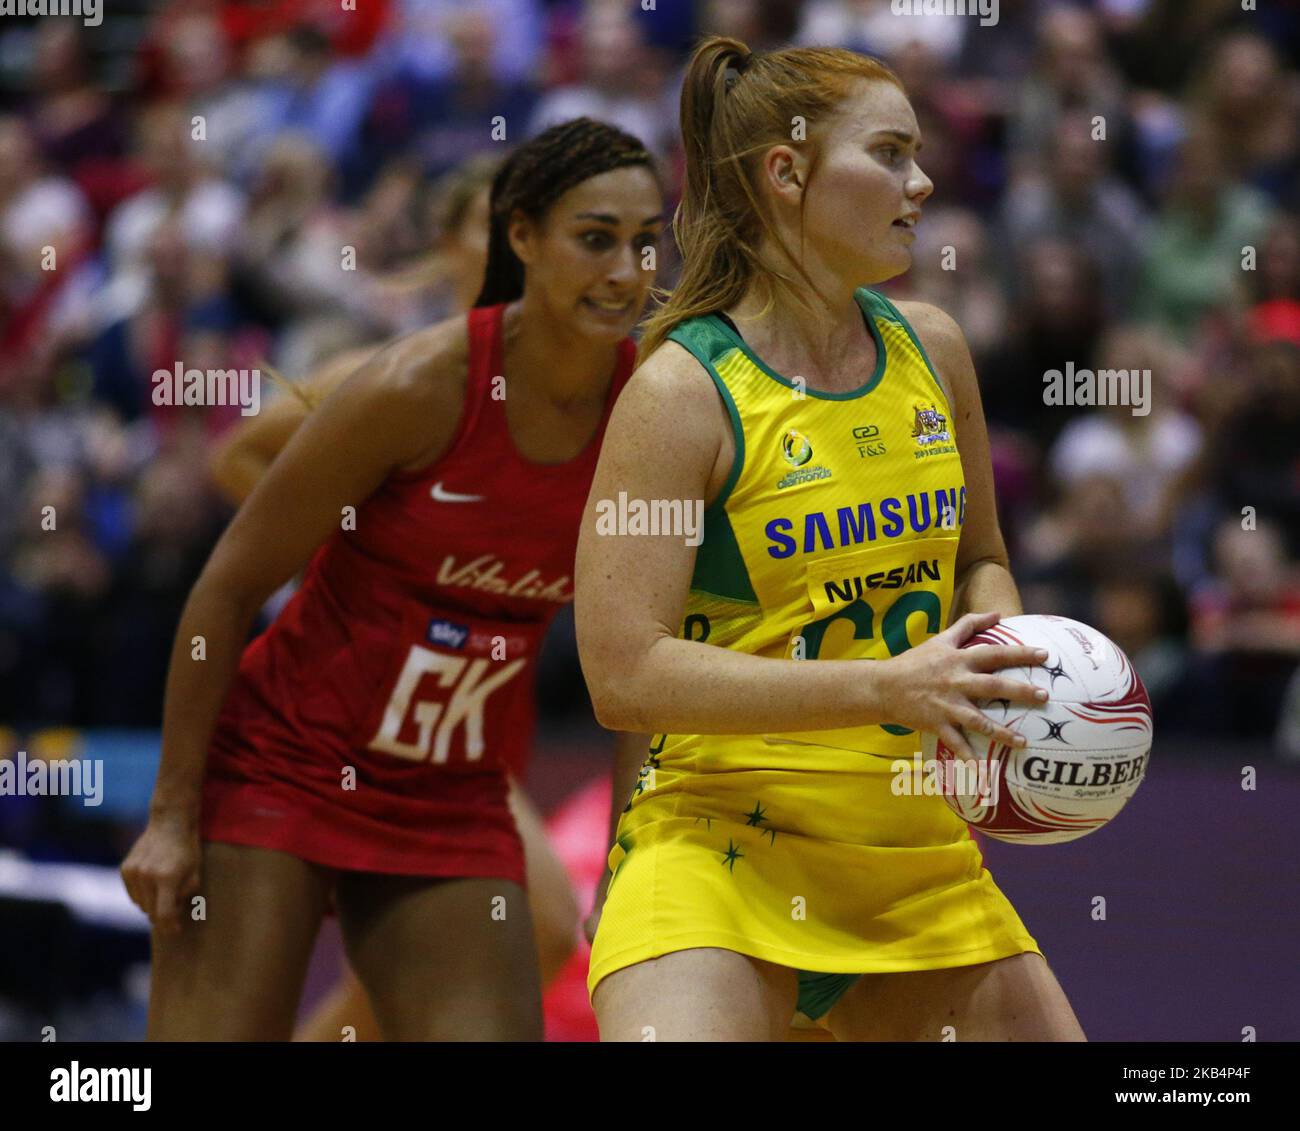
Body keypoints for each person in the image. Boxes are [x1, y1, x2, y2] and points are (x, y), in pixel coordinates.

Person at [575, 38, 1085, 1042]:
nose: (922, 180)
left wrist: (1004, 662)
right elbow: (620, 671)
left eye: (918, 155)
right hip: (719, 849)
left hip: (912, 854)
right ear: (786, 173)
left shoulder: (931, 346)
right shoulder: (682, 392)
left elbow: (979, 555)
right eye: (890, 154)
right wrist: (882, 687)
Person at [121, 117, 663, 1040]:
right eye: (596, 239)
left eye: (647, 243)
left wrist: (630, 859)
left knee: (531, 941)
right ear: (521, 238)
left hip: (448, 792)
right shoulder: (413, 382)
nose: (626, 270)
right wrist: (171, 813)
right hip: (286, 762)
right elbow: (224, 586)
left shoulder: (653, 405)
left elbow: (644, 658)